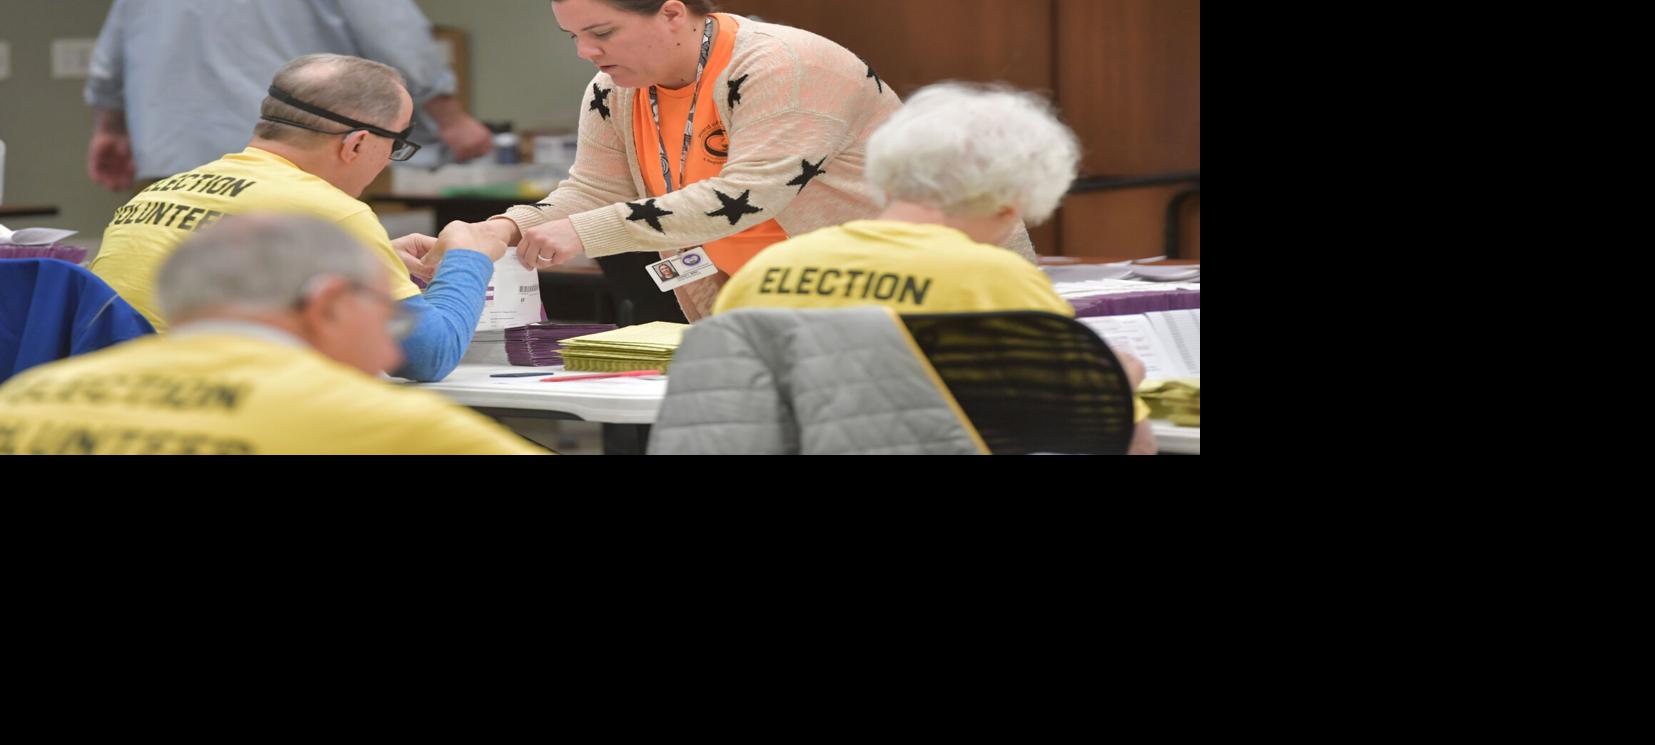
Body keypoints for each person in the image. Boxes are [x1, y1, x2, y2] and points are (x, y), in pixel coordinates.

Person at [433, 0, 1039, 321]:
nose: (588, 53)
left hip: (909, 291)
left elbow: (748, 197)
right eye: (574, 38)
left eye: (603, 32)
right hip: (770, 300)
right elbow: (592, 190)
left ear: (673, 12)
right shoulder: (613, 89)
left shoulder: (785, 65)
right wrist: (498, 231)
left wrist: (582, 233)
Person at [713, 82, 1157, 454]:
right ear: (1012, 204)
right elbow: (1104, 430)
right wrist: (1116, 378)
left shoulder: (765, 271)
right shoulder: (993, 279)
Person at [87, 54, 502, 382]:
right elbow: (429, 358)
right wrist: (467, 257)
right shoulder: (333, 211)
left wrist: (348, 262)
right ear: (356, 145)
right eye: (394, 143)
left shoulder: (158, 191)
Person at [0, 216, 546, 456]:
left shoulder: (25, 401)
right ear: (329, 301)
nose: (387, 349)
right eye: (389, 315)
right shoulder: (391, 426)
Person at [86, 0, 492, 190]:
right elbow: (395, 36)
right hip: (290, 159)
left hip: (172, 160)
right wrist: (450, 116)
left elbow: (114, 51)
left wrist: (111, 127)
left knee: (184, 305)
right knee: (298, 306)